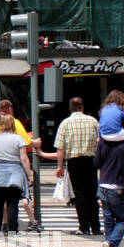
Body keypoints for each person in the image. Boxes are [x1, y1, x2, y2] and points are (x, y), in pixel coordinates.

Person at [53, 96, 100, 236]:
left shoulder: (65, 123)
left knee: (79, 194)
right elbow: (100, 142)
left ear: (70, 108)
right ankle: (96, 226)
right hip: (91, 161)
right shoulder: (93, 121)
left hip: (74, 162)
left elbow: (60, 148)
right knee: (92, 194)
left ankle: (84, 226)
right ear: (82, 107)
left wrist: (60, 167)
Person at [0, 114, 33, 235]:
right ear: (12, 125)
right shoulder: (17, 139)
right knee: (12, 203)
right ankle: (12, 229)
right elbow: (24, 158)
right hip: (14, 172)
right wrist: (29, 174)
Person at [0, 99, 42, 231]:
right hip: (16, 166)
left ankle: (4, 224)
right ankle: (32, 221)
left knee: (5, 197)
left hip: (0, 167)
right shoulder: (16, 124)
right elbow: (26, 144)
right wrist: (36, 143)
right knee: (24, 195)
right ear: (10, 109)